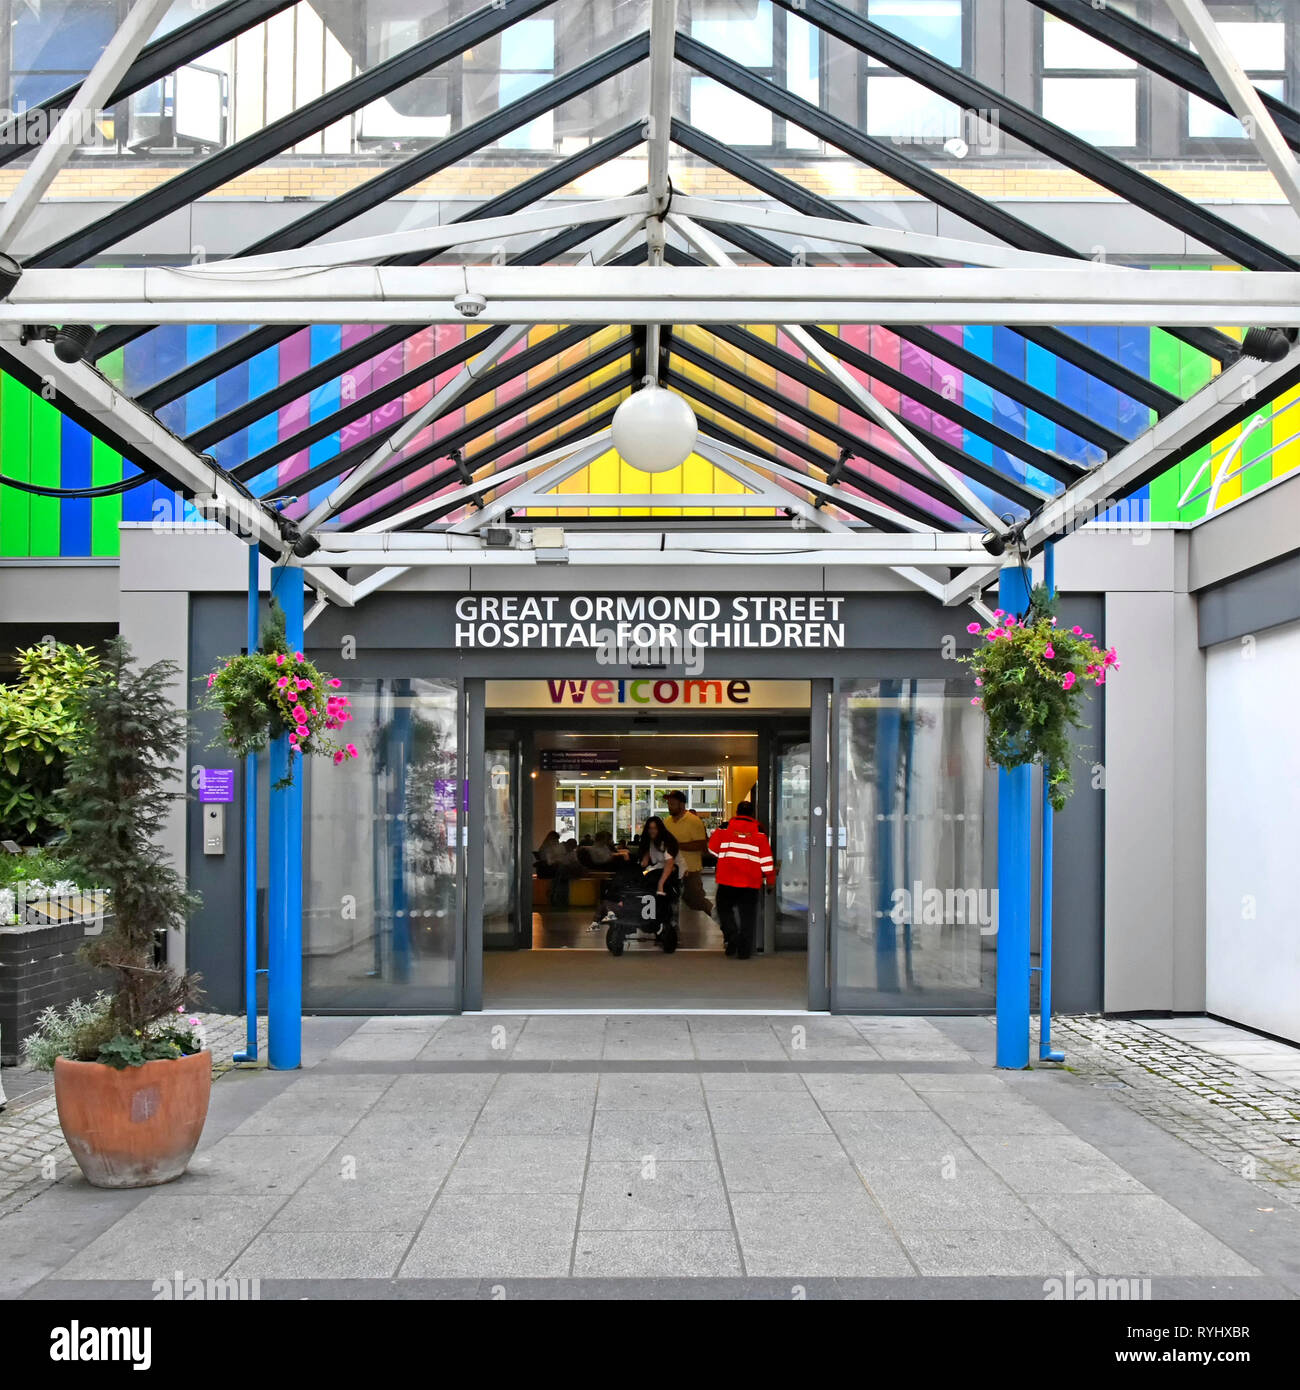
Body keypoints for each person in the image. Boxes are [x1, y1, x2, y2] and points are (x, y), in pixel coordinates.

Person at [707, 801, 775, 959]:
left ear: (737, 812)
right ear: (752, 814)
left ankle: (732, 935)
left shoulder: (725, 827)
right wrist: (770, 880)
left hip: (727, 879)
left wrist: (725, 857)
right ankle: (744, 952)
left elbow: (711, 848)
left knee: (724, 910)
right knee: (748, 917)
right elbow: (766, 858)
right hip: (750, 882)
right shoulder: (759, 831)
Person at [663, 789, 713, 918]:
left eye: (672, 804)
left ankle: (720, 918)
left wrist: (677, 845)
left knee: (696, 901)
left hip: (690, 870)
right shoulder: (667, 822)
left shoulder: (694, 821)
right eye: (668, 804)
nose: (669, 806)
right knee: (670, 901)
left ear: (681, 804)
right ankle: (672, 930)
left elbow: (701, 845)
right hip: (671, 869)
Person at [638, 815, 680, 932]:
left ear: (659, 829)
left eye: (655, 828)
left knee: (666, 894)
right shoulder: (650, 841)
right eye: (650, 828)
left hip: (670, 870)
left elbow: (669, 864)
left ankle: (669, 923)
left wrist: (661, 883)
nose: (652, 831)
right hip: (657, 869)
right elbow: (646, 859)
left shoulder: (667, 842)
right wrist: (643, 862)